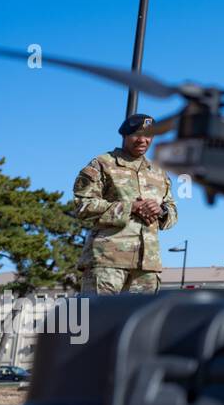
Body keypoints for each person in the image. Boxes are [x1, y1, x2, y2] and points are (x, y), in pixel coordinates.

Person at [72, 114, 177, 294]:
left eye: (149, 136)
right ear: (125, 135)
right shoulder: (103, 164)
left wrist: (161, 211)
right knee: (99, 318)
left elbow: (172, 210)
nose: (143, 140)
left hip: (147, 267)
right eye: (137, 135)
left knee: (141, 321)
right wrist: (130, 208)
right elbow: (82, 205)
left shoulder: (159, 172)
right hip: (108, 261)